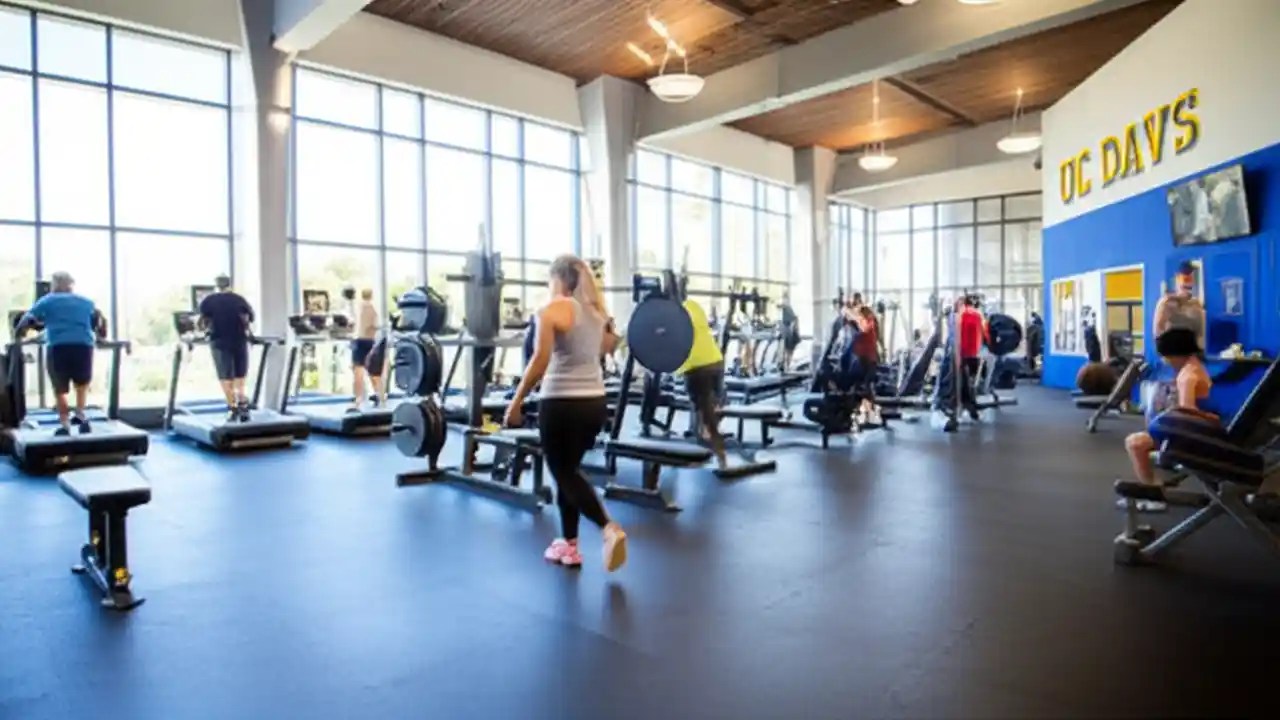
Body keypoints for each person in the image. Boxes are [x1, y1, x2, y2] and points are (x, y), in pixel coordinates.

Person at [504, 255, 627, 571]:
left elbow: (540, 360)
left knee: (564, 472)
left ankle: (608, 527)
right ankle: (569, 545)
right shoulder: (597, 313)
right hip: (595, 403)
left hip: (561, 402)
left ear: (557, 279)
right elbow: (609, 347)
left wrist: (516, 402)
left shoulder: (551, 310)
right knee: (567, 471)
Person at [1123, 327, 1216, 512]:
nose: (1165, 361)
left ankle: (1153, 495)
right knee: (1144, 437)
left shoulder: (1187, 376)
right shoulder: (1195, 368)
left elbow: (1188, 413)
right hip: (1201, 429)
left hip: (1194, 435)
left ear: (1175, 354)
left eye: (1165, 356)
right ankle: (1154, 487)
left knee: (1135, 443)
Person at [16, 272, 100, 435]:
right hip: (83, 345)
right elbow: (97, 321)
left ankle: (65, 424)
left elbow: (27, 319)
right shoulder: (86, 302)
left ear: (54, 285)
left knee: (59, 388)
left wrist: (19, 334)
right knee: (81, 384)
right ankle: (80, 415)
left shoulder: (48, 300)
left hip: (59, 346)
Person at [677, 299, 729, 471]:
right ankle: (709, 433)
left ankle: (717, 450)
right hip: (715, 360)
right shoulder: (693, 305)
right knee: (711, 404)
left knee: (704, 410)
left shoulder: (673, 314)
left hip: (696, 365)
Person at [199, 274, 255, 422]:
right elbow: (250, 317)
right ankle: (242, 402)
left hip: (219, 341)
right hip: (239, 339)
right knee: (239, 374)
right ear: (229, 284)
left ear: (216, 285)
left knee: (225, 375)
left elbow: (202, 322)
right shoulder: (239, 299)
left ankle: (232, 406)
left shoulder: (208, 301)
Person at [1152, 261, 1205, 349]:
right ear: (1177, 280)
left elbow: (1201, 334)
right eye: (1185, 279)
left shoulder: (1196, 305)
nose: (1187, 284)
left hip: (1192, 352)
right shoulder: (1166, 303)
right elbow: (1158, 334)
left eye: (1190, 279)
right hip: (1172, 352)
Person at [349, 288, 382, 410]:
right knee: (372, 370)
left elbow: (354, 324)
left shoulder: (358, 308)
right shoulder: (373, 309)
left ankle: (358, 398)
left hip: (360, 340)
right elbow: (373, 326)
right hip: (369, 341)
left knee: (358, 371)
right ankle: (377, 394)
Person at [957, 295, 989, 421]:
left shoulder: (960, 315)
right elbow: (985, 333)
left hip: (961, 354)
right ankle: (971, 407)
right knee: (971, 381)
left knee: (963, 382)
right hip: (973, 354)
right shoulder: (977, 315)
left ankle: (968, 407)